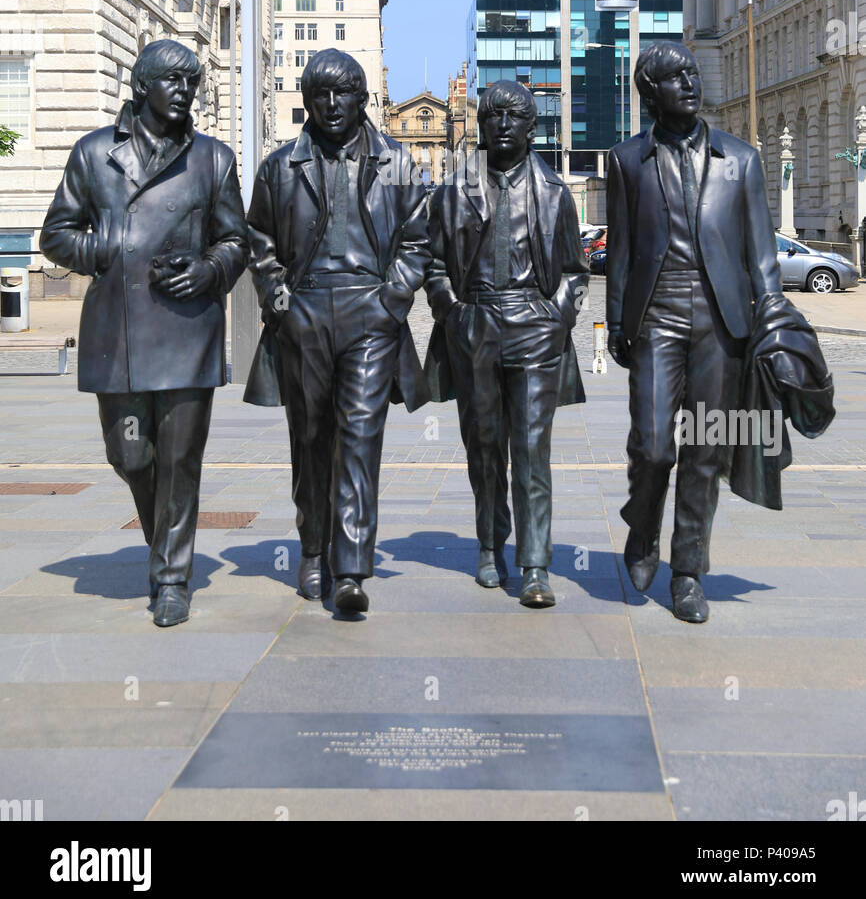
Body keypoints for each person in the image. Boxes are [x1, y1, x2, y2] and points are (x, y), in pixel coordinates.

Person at [40, 40, 249, 627]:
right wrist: (103, 247)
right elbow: (55, 235)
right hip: (120, 335)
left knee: (181, 461)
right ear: (142, 88)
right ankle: (164, 548)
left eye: (192, 82)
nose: (185, 91)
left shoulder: (213, 159)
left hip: (188, 331)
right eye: (173, 81)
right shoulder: (94, 154)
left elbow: (237, 241)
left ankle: (171, 577)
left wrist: (210, 269)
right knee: (131, 455)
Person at [244, 49, 430, 613]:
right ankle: (311, 547)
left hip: (370, 314)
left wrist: (391, 299)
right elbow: (260, 243)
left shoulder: (397, 163)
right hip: (303, 314)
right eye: (319, 94)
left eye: (342, 92)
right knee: (310, 438)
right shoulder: (281, 167)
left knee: (358, 437)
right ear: (305, 101)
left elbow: (418, 241)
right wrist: (282, 305)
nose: (330, 104)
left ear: (363, 98)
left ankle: (349, 568)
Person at [605, 41, 781, 623]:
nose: (690, 83)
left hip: (720, 321)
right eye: (674, 77)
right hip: (656, 316)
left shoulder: (742, 159)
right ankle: (642, 526)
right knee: (653, 447)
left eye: (692, 74)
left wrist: (772, 320)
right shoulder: (628, 161)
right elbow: (623, 250)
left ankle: (687, 573)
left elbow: (762, 257)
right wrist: (615, 322)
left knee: (705, 450)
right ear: (649, 93)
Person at [425, 80, 589, 607]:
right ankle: (490, 543)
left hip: (534, 328)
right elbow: (431, 262)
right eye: (491, 114)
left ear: (531, 128)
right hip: (476, 323)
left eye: (512, 116)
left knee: (532, 449)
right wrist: (452, 311)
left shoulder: (554, 192)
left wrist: (556, 317)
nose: (500, 124)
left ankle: (535, 563)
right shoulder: (455, 188)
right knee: (485, 448)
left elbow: (574, 270)